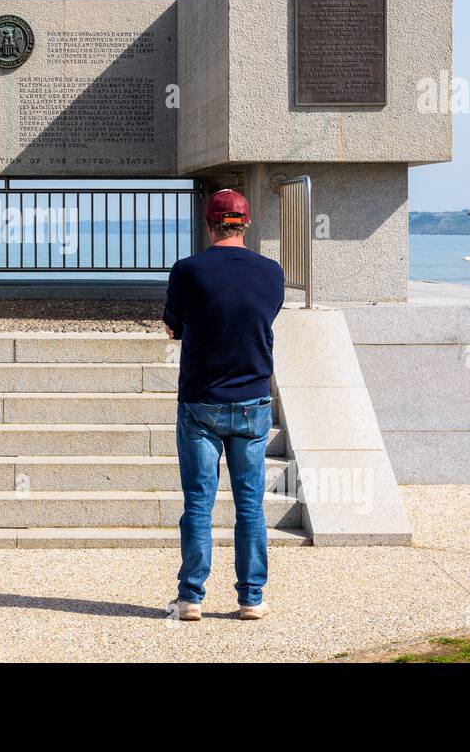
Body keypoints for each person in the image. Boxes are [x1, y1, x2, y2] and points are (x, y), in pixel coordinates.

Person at [163, 189, 284, 621]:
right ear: (245, 223)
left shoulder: (187, 270)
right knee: (249, 504)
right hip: (252, 399)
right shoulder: (271, 272)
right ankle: (251, 598)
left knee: (198, 502)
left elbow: (173, 326)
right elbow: (263, 317)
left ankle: (191, 597)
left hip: (201, 401)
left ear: (209, 223)